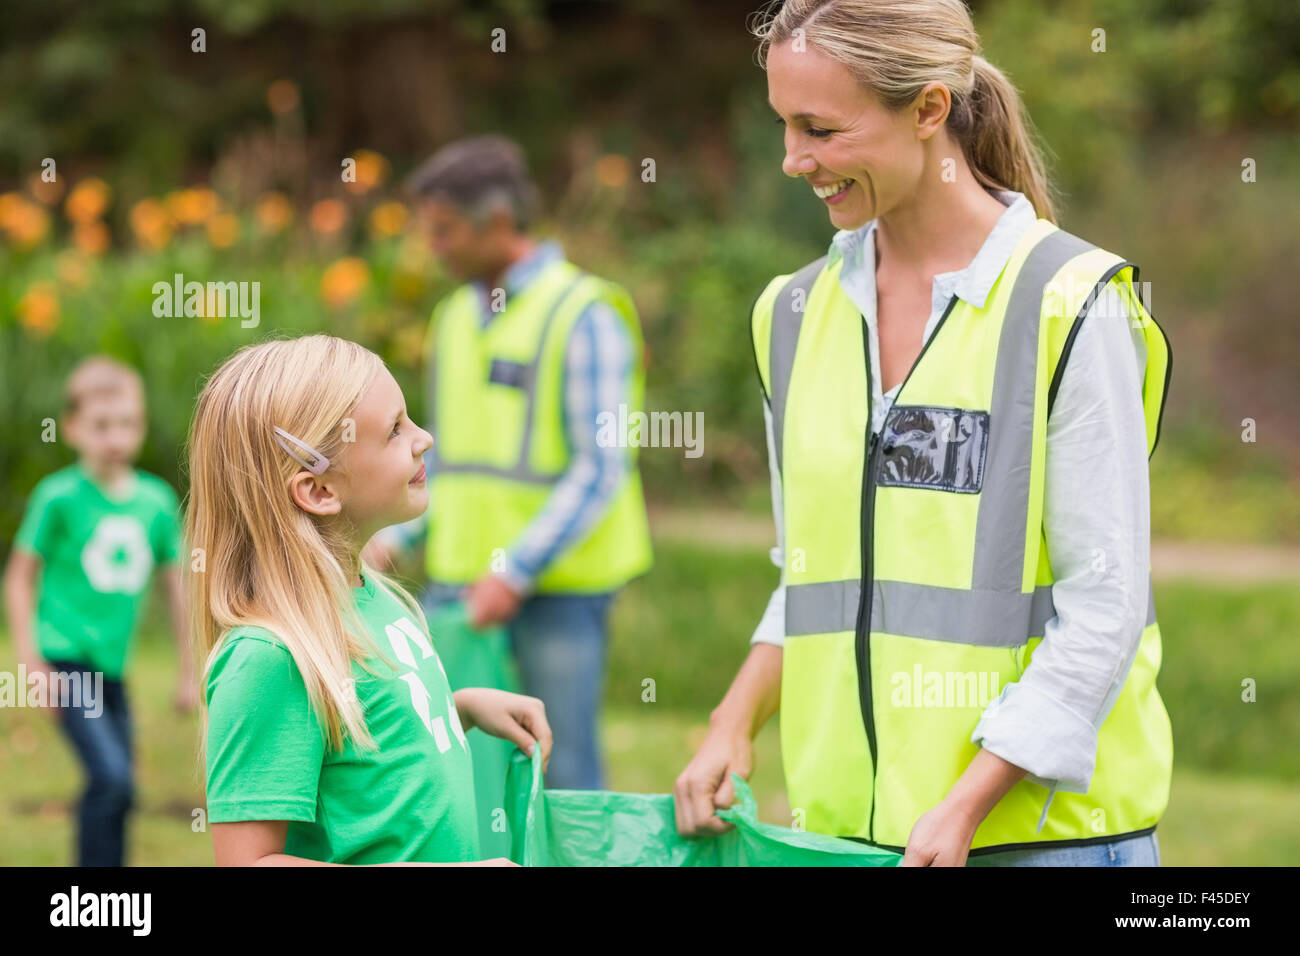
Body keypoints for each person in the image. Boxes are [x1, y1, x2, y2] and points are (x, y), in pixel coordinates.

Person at [675, 0, 1173, 867]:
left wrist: (967, 805)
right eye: (784, 127)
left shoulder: (1071, 302)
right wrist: (732, 720)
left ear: (930, 110)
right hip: (847, 842)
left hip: (1033, 840)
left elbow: (1105, 607)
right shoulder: (789, 315)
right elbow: (812, 579)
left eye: (820, 129)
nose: (795, 160)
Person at [190, 335, 551, 865]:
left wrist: (458, 711)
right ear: (318, 491)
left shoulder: (375, 597)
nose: (425, 439)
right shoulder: (272, 657)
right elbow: (248, 862)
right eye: (395, 431)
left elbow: (358, 746)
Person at [366, 135, 653, 791]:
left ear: (494, 222)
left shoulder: (584, 313)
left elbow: (600, 469)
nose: (432, 248)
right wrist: (390, 538)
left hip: (557, 592)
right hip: (460, 587)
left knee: (561, 765)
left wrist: (514, 572)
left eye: (443, 232)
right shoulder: (453, 317)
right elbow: (446, 458)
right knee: (458, 763)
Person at [4, 356, 196, 867]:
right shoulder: (58, 497)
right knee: (112, 779)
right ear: (71, 428)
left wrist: (188, 670)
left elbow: (176, 589)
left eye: (128, 424)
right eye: (101, 425)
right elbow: (20, 575)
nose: (115, 437)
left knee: (122, 788)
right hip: (67, 659)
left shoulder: (156, 503)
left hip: (114, 669)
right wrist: (30, 662)